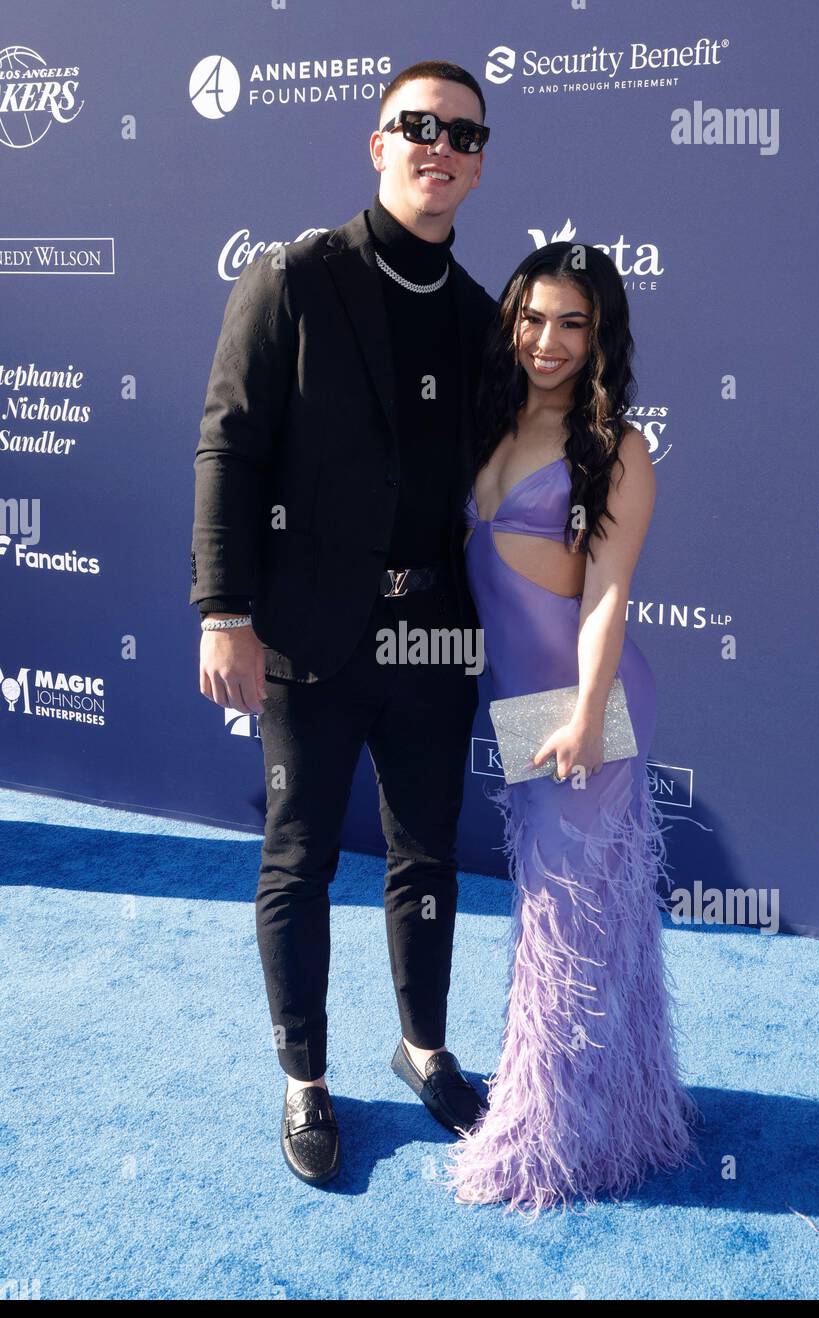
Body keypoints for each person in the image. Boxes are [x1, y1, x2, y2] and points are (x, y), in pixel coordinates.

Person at [189, 61, 497, 1186]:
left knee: (425, 858)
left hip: (434, 639)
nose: (438, 145)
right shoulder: (293, 278)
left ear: (478, 157)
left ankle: (422, 1052)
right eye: (415, 125)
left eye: (461, 132)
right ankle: (306, 1079)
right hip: (310, 636)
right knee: (299, 861)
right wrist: (223, 609)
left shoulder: (478, 319)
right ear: (377, 143)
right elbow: (228, 443)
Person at [440, 241, 705, 1218]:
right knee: (595, 916)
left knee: (559, 923)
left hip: (580, 706)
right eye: (533, 319)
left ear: (600, 338)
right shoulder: (490, 427)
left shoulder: (616, 448)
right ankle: (628, 1113)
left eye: (573, 324)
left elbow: (607, 593)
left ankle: (538, 1140)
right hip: (520, 703)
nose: (547, 342)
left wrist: (590, 711)